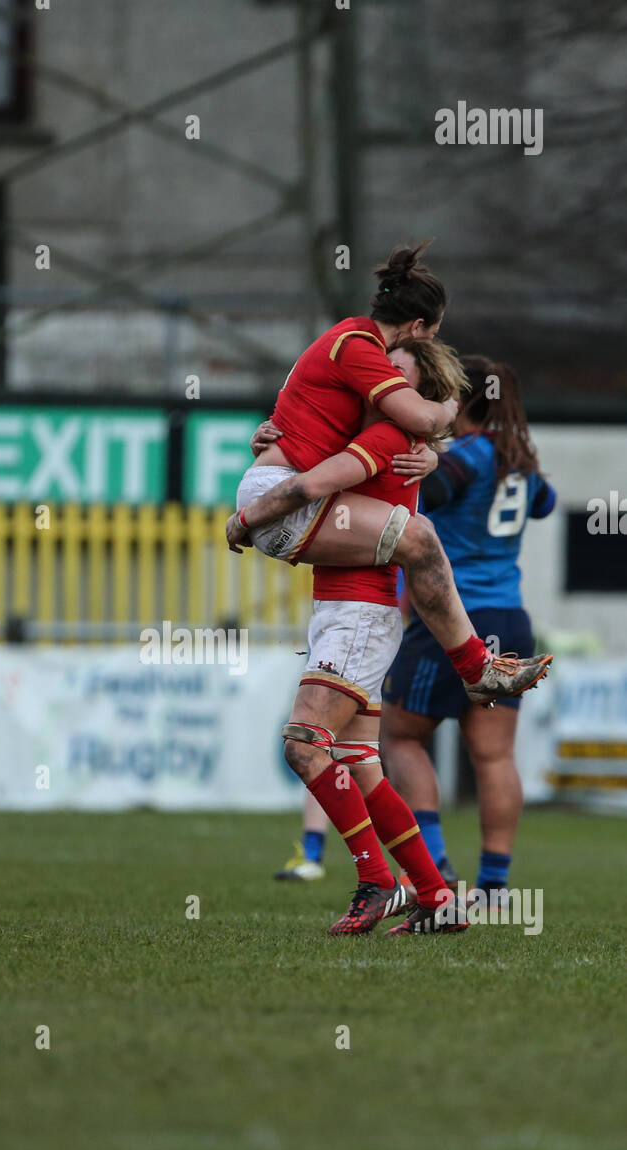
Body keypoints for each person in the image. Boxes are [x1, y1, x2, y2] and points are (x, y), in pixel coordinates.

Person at [228, 242, 552, 707]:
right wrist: (450, 406)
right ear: (416, 327)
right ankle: (477, 667)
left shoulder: (351, 351)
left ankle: (477, 667)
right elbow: (418, 422)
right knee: (419, 538)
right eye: (428, 335)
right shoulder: (360, 347)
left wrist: (436, 457)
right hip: (295, 518)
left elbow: (333, 443)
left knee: (351, 756)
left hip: (312, 539)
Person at [231, 337, 473, 934]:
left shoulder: (389, 437)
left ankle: (375, 879)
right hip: (346, 612)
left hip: (360, 617)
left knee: (304, 745)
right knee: (359, 763)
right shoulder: (371, 431)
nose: (378, 381)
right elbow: (311, 456)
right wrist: (272, 438)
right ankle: (438, 898)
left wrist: (245, 519)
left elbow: (305, 488)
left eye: (395, 376)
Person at [380, 354, 557, 899]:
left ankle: (436, 870)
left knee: (401, 735)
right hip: (510, 615)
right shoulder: (518, 459)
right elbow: (546, 504)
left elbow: (427, 493)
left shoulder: (463, 458)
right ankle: (496, 885)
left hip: (453, 616)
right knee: (495, 755)